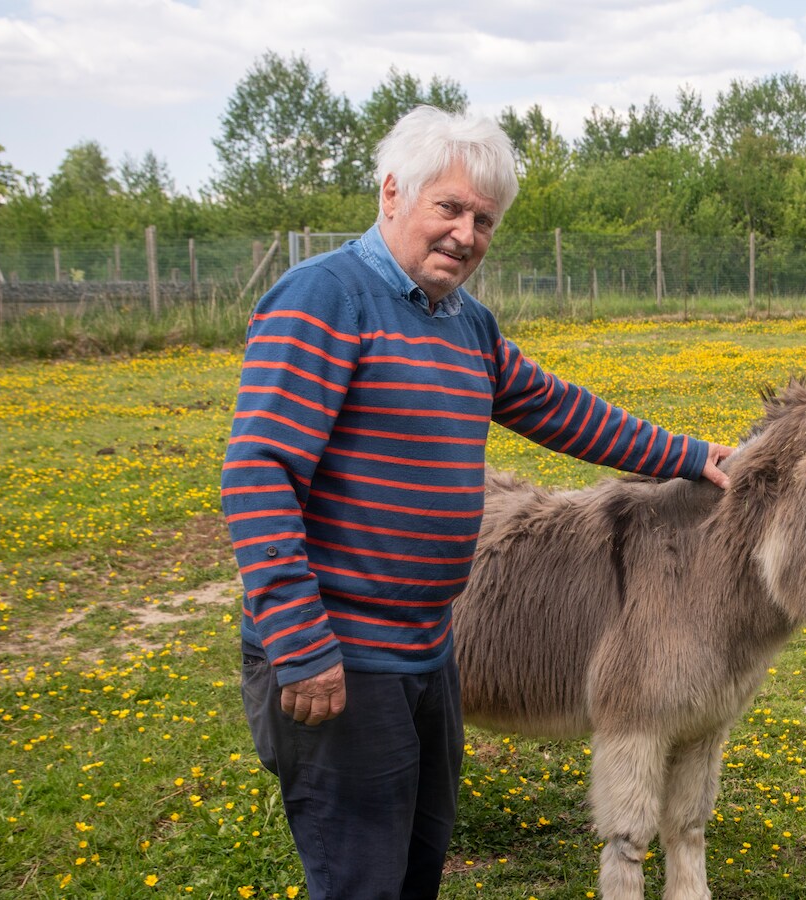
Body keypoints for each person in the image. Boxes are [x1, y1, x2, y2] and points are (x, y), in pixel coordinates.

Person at [221, 107, 733, 900]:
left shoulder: (464, 323)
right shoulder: (325, 298)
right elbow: (258, 473)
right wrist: (300, 642)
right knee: (362, 878)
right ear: (393, 194)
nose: (466, 234)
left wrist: (693, 457)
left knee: (417, 864)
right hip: (343, 657)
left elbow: (561, 409)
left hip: (430, 651)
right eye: (449, 208)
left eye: (484, 219)